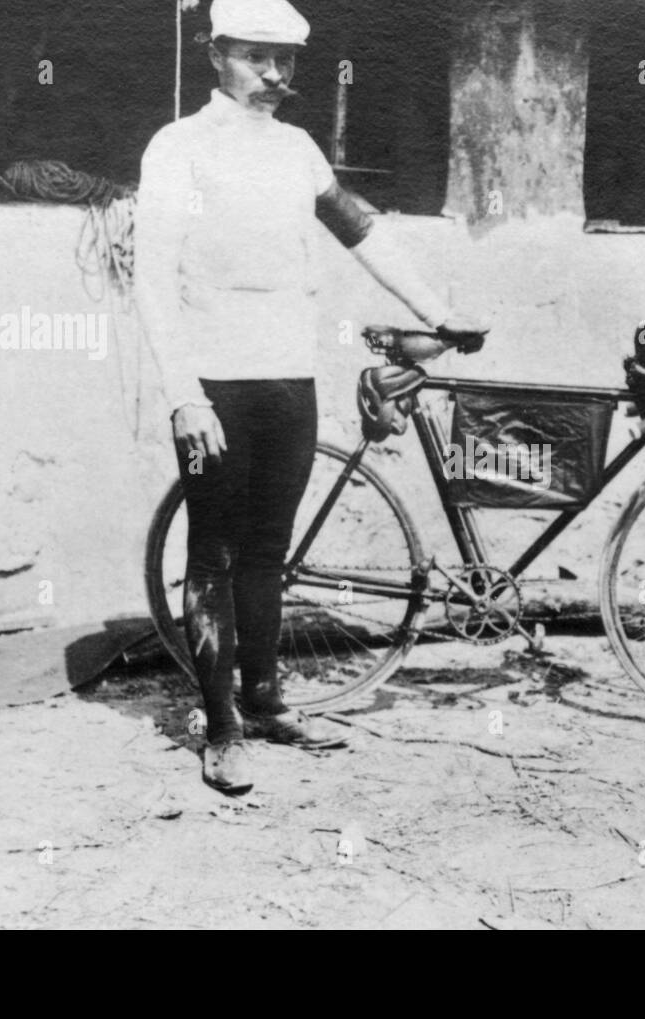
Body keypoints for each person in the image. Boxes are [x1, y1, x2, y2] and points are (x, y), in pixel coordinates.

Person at [135, 0, 484, 794]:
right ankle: (221, 726)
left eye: (286, 61)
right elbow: (152, 280)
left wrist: (438, 311)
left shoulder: (297, 151)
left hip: (288, 378)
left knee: (269, 551)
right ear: (214, 53)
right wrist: (184, 396)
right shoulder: (178, 149)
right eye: (257, 57)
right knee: (215, 553)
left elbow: (361, 229)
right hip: (215, 383)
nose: (274, 75)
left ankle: (265, 700)